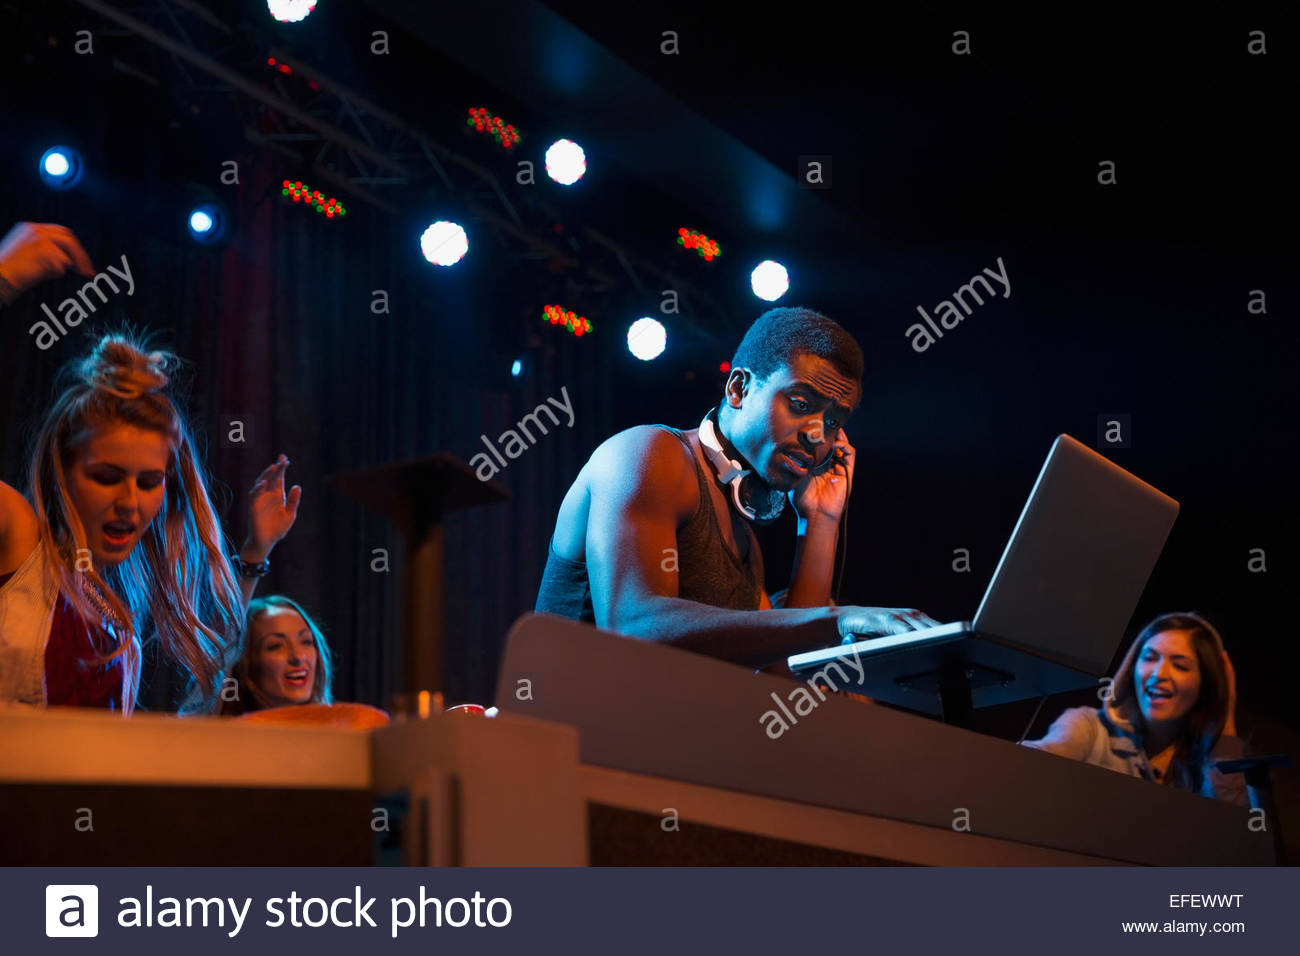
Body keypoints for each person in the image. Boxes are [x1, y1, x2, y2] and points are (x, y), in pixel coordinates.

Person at [535, 305, 940, 672]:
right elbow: (631, 630)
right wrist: (838, 620)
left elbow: (789, 673)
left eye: (834, 421)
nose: (819, 436)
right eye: (800, 404)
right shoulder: (649, 455)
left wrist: (820, 520)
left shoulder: (746, 544)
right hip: (553, 742)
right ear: (739, 389)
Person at [0, 331, 301, 713]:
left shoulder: (114, 619)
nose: (129, 503)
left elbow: (192, 718)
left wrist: (256, 552)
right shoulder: (22, 547)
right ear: (62, 470)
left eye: (148, 483)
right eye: (106, 477)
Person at [1020, 612, 1247, 805]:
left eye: (1180, 665)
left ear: (1205, 683)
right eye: (1149, 658)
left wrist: (1225, 720)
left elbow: (1229, 831)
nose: (1158, 674)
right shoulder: (1088, 728)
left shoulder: (1205, 765)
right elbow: (1023, 766)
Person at [220, 595, 333, 714]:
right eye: (276, 646)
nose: (298, 657)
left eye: (306, 641)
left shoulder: (344, 727)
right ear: (245, 664)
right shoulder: (221, 731)